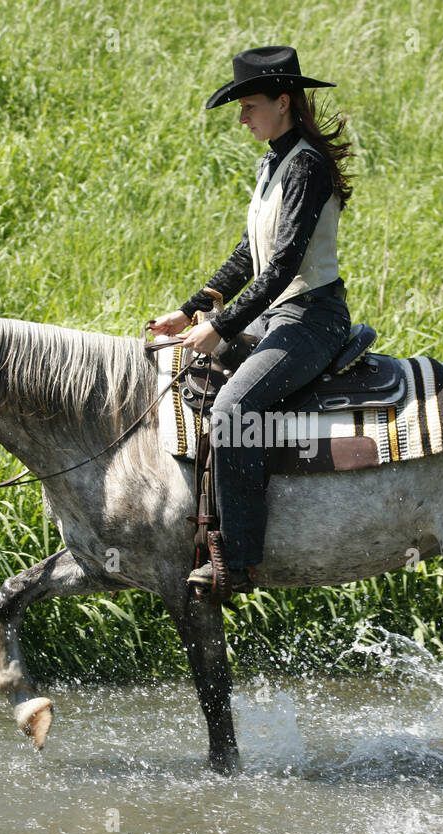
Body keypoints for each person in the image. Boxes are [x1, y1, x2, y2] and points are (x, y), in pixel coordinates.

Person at [149, 46, 356, 594]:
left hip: (314, 318)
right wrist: (192, 308)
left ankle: (236, 561)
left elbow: (285, 263)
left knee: (233, 407)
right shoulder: (273, 162)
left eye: (249, 106)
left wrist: (219, 326)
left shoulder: (307, 165)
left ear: (283, 103)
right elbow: (249, 255)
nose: (242, 118)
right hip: (279, 315)